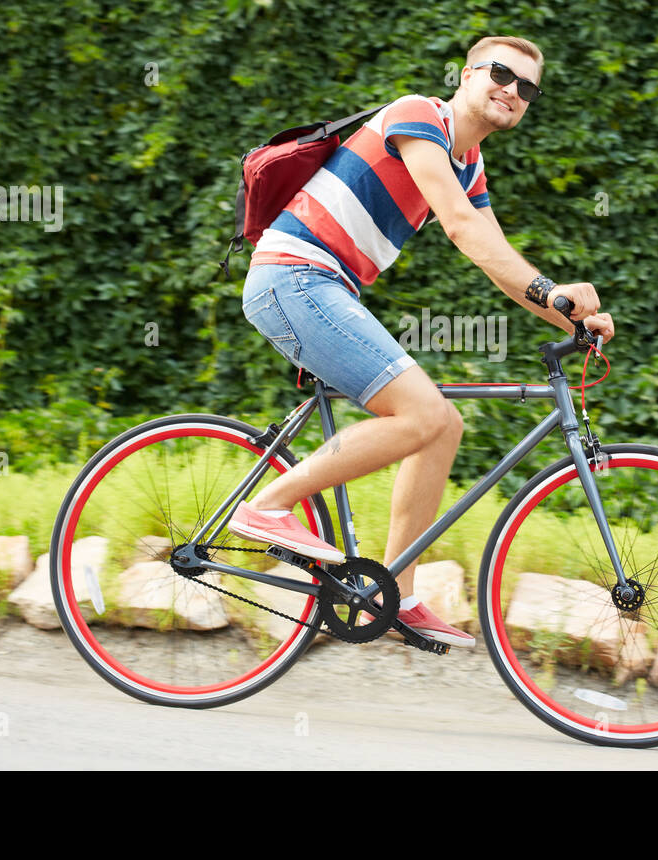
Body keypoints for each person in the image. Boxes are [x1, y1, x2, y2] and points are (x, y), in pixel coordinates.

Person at [235, 35, 615, 647]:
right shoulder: (418, 115)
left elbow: (497, 263)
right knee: (421, 411)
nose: (512, 91)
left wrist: (570, 321)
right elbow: (463, 228)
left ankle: (396, 595)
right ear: (466, 75)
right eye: (500, 73)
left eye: (527, 88)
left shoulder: (470, 166)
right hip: (292, 277)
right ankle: (269, 508)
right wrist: (554, 292)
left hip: (325, 289)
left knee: (445, 426)